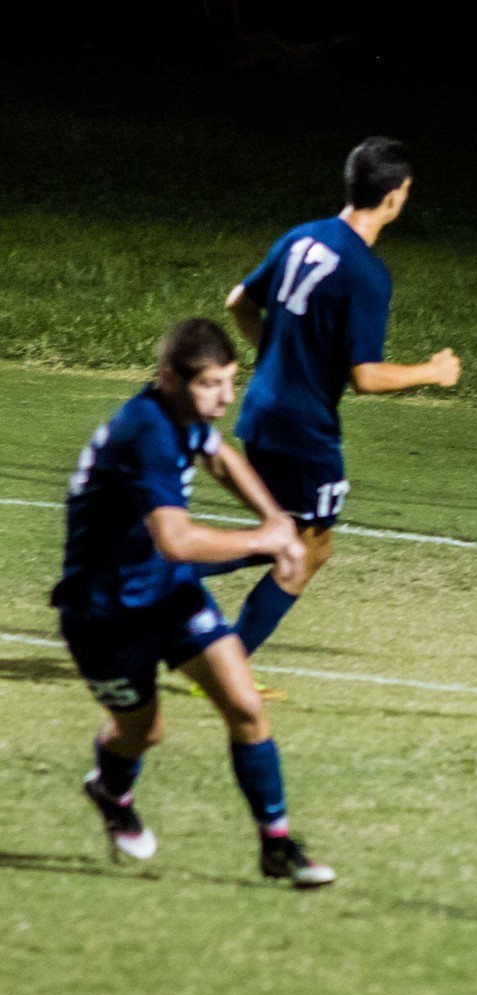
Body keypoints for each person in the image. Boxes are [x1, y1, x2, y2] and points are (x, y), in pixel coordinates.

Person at [54, 319, 335, 887]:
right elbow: (176, 541)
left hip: (168, 593)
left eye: (230, 381)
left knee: (245, 706)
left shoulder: (184, 414)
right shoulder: (147, 434)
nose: (226, 398)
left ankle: (277, 845)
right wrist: (264, 540)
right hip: (103, 612)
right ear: (169, 377)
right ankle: (110, 789)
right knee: (144, 733)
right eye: (211, 384)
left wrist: (276, 518)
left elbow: (219, 456)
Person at [221, 136, 460, 661]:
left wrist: (279, 351)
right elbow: (366, 377)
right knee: (304, 548)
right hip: (303, 428)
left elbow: (238, 302)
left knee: (288, 536)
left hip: (261, 410)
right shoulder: (365, 273)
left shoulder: (302, 235)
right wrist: (432, 371)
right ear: (394, 197)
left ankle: (177, 599)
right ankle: (169, 584)